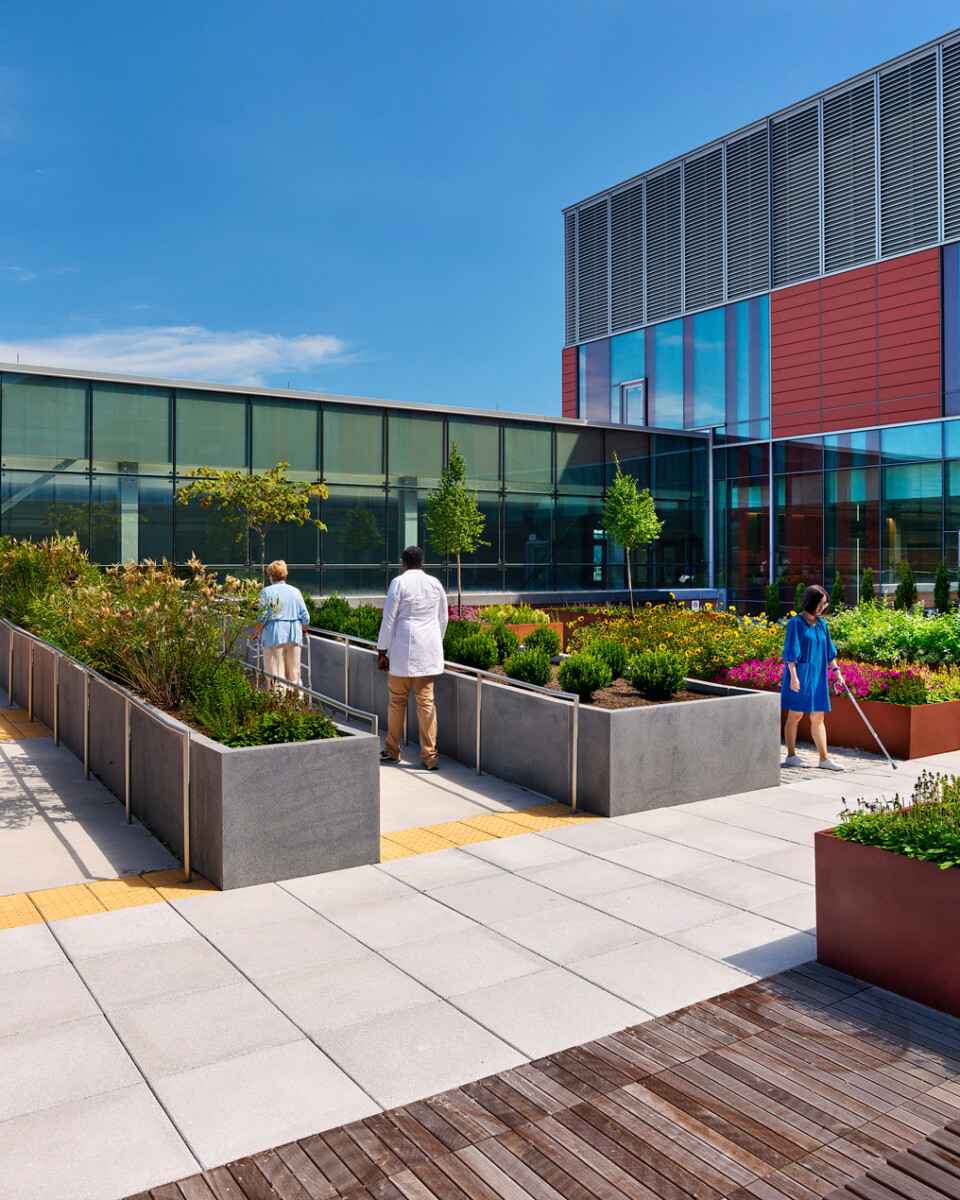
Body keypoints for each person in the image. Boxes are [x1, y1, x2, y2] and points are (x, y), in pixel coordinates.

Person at [376, 545, 448, 770]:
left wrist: (381, 651)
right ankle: (430, 757)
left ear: (403, 563)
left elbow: (388, 619)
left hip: (401, 652)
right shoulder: (435, 583)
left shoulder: (399, 583)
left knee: (397, 703)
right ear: (422, 562)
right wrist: (436, 642)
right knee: (427, 704)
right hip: (428, 653)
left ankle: (392, 751)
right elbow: (443, 618)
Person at [781, 584, 845, 771]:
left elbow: (829, 653)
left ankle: (824, 759)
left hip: (818, 676)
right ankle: (791, 756)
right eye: (819, 603)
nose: (822, 608)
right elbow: (790, 654)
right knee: (796, 715)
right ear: (810, 601)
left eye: (825, 605)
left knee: (818, 718)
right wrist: (793, 678)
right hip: (800, 674)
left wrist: (837, 673)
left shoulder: (822, 624)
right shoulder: (796, 623)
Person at [253, 560, 310, 692]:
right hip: (294, 635)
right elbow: (305, 617)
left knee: (274, 674)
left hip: (274, 636)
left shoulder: (266, 592)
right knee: (294, 674)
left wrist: (255, 633)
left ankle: (278, 706)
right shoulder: (295, 592)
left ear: (271, 576)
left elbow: (262, 618)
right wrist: (304, 628)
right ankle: (296, 703)